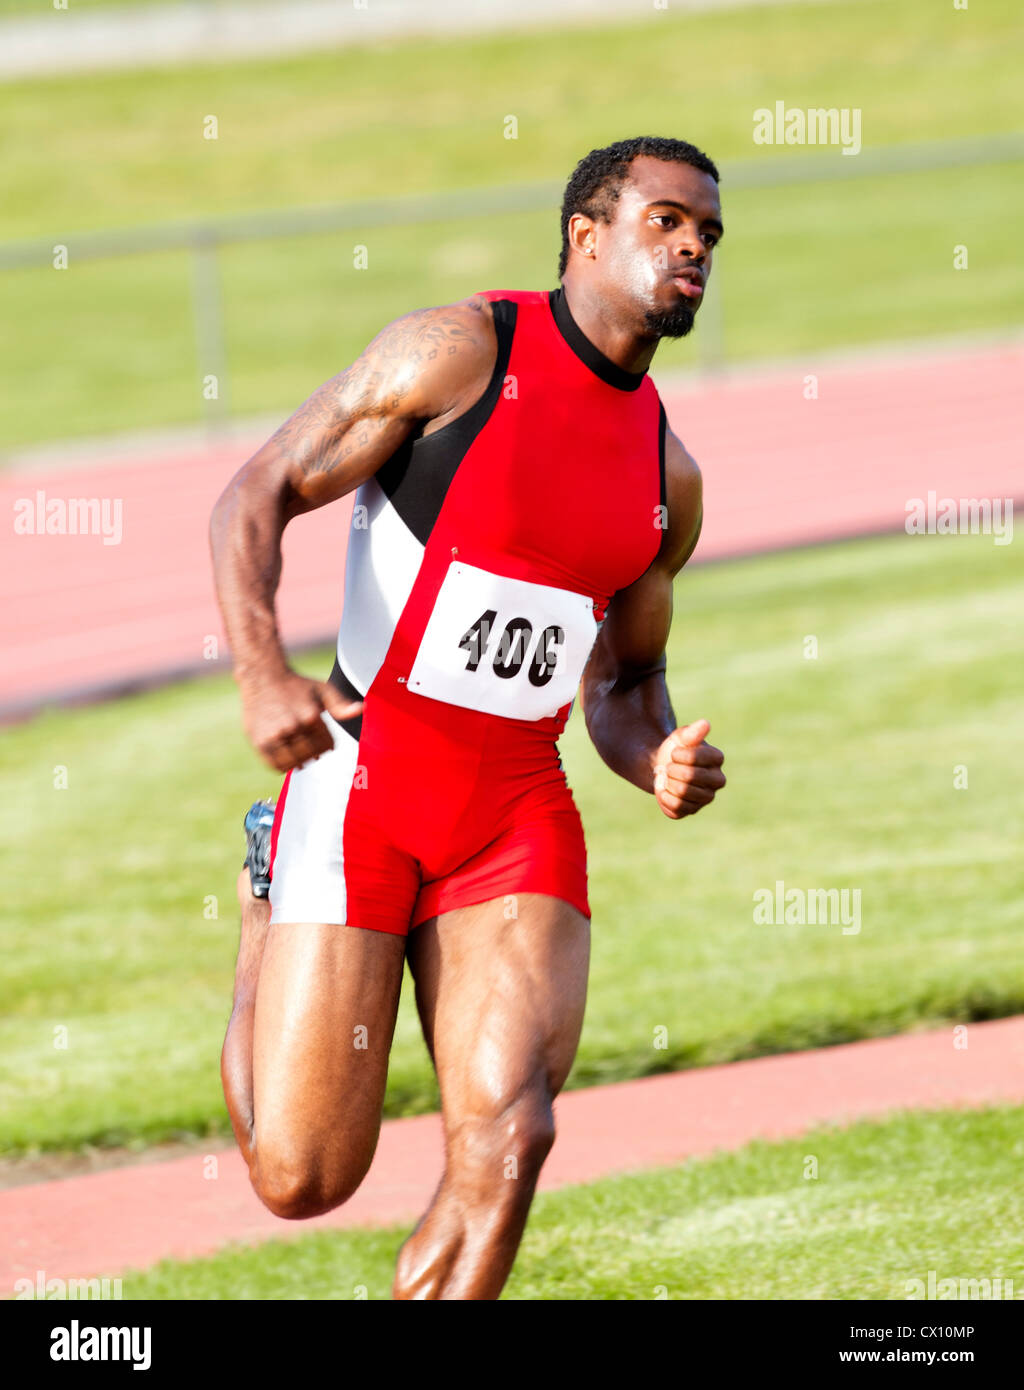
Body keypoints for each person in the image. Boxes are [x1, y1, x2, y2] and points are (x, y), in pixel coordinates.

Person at [209, 135, 727, 1300]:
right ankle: (264, 891)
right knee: (300, 1178)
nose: (693, 243)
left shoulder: (666, 475)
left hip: (514, 812)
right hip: (360, 779)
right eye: (665, 220)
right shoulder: (458, 354)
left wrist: (658, 760)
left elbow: (623, 686)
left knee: (511, 1135)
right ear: (585, 235)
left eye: (707, 231)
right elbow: (253, 494)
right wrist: (261, 675)